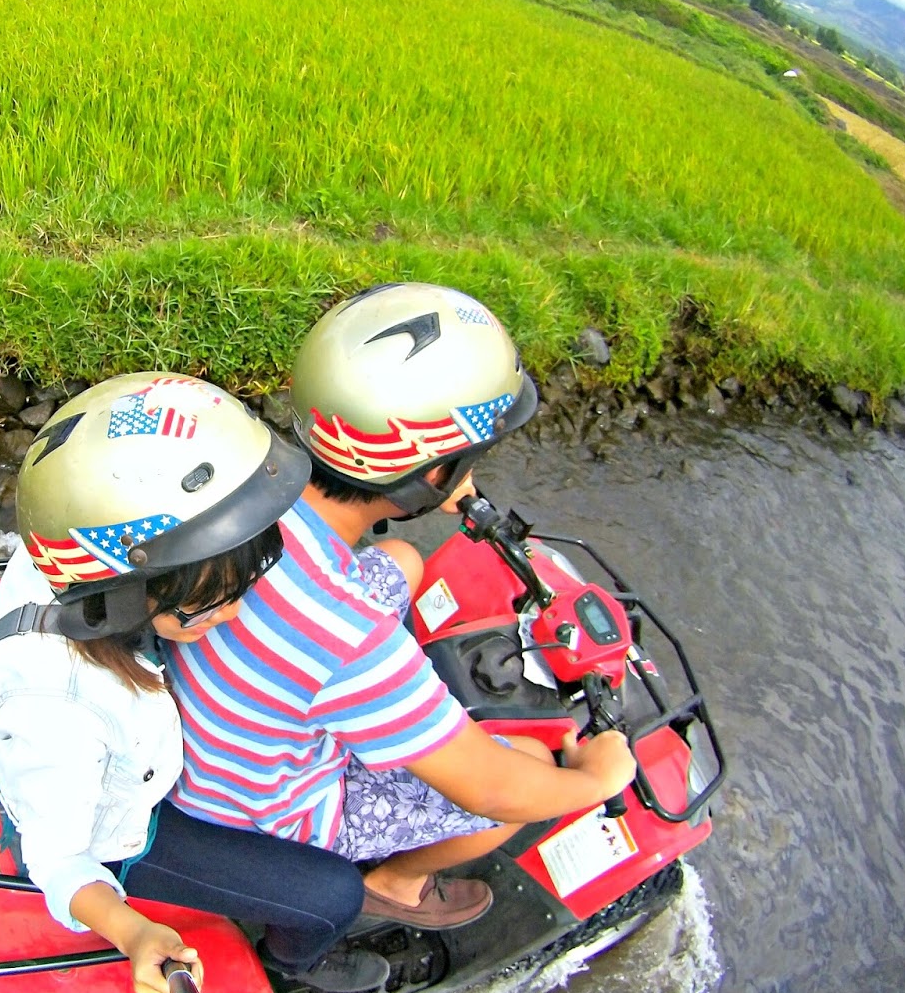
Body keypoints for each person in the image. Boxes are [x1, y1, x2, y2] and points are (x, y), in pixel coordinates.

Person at [163, 283, 639, 927]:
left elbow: (340, 611)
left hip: (216, 719)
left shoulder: (243, 488)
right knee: (528, 765)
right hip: (273, 806)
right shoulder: (349, 632)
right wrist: (597, 779)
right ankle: (399, 884)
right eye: (463, 462)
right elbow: (491, 786)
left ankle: (375, 720)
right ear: (429, 472)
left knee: (408, 562)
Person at [0, 372, 391, 993]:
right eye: (215, 601)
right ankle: (292, 964)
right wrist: (133, 932)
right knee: (334, 896)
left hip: (131, 739)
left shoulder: (79, 538)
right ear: (122, 598)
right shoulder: (54, 707)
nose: (236, 612)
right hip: (124, 833)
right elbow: (60, 860)